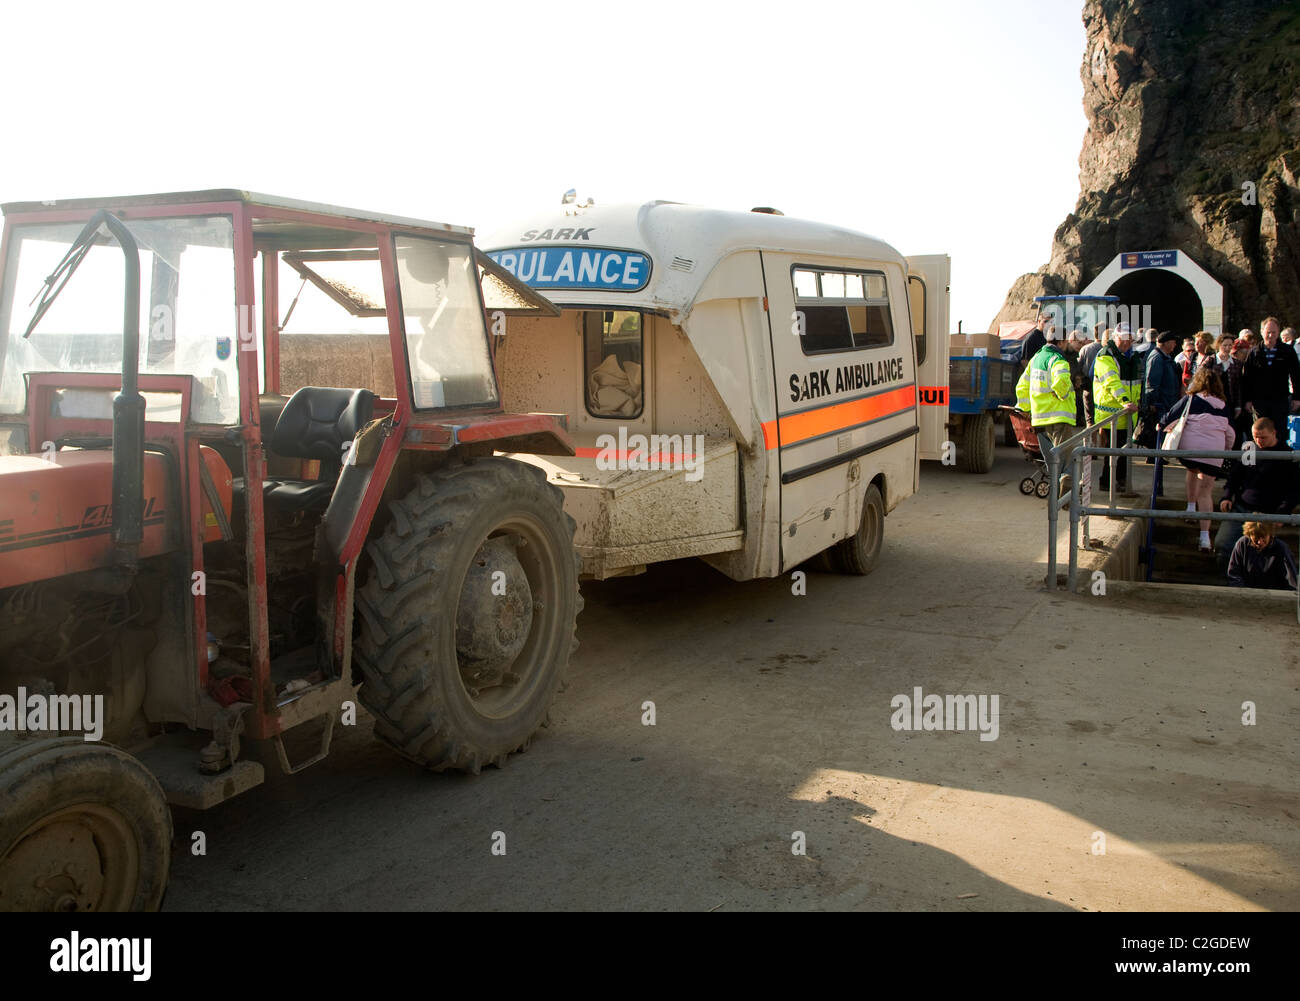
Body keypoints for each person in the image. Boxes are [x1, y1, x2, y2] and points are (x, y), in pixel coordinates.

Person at [1158, 367, 1235, 552]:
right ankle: (1205, 538)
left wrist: (1163, 427)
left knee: (1192, 470)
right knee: (1206, 491)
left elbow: (1166, 419)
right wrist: (1226, 450)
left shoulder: (1190, 399)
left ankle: (1191, 507)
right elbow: (1231, 433)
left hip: (1190, 451)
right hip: (1213, 454)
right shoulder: (1224, 406)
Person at [1215, 416, 1300, 570]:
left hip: (1267, 512)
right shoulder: (1250, 448)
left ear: (1274, 433)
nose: (1259, 441)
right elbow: (1236, 476)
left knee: (1259, 551)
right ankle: (1230, 579)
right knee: (1223, 544)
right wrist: (1227, 496)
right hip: (1242, 505)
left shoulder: (1287, 455)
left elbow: (1294, 489)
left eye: (1263, 437)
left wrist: (1283, 511)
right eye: (1255, 437)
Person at [1016, 325, 1079, 490]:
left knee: (1051, 460)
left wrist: (1025, 409)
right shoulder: (1058, 359)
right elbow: (1062, 381)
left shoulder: (1036, 359)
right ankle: (1066, 493)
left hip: (1038, 419)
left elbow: (1022, 387)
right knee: (1067, 458)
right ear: (1062, 341)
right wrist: (1063, 395)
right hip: (1058, 418)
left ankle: (1055, 492)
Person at [1092, 324, 1142, 492]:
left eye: (1130, 338)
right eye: (1123, 338)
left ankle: (1120, 481)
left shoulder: (1132, 356)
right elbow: (1112, 382)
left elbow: (1136, 384)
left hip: (1128, 413)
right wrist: (1125, 401)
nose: (1127, 342)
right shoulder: (1105, 356)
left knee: (1123, 451)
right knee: (1112, 452)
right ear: (1115, 338)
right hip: (1111, 413)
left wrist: (1137, 403)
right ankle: (1107, 482)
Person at [1241, 316, 1300, 434]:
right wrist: (1247, 399)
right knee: (1260, 432)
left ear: (1278, 333)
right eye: (1268, 332)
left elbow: (1296, 375)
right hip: (1259, 400)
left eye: (1274, 332)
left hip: (1280, 399)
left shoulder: (1287, 351)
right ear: (1262, 332)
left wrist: (1297, 398)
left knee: (1280, 432)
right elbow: (1246, 377)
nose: (1270, 336)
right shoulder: (1254, 352)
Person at [1227, 521, 1297, 590]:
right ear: (1249, 535)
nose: (1260, 542)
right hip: (1247, 593)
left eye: (1263, 537)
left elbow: (1291, 579)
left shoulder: (1282, 548)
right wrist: (1243, 591)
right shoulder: (1242, 544)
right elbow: (1234, 574)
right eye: (1256, 538)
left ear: (1270, 534)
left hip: (1274, 594)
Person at [1078, 328, 1106, 425]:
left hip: (1088, 387)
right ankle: (1102, 439)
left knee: (1090, 420)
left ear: (1094, 334)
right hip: (1104, 389)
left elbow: (1078, 367)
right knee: (1103, 418)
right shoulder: (1110, 350)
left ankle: (1091, 440)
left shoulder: (1085, 349)